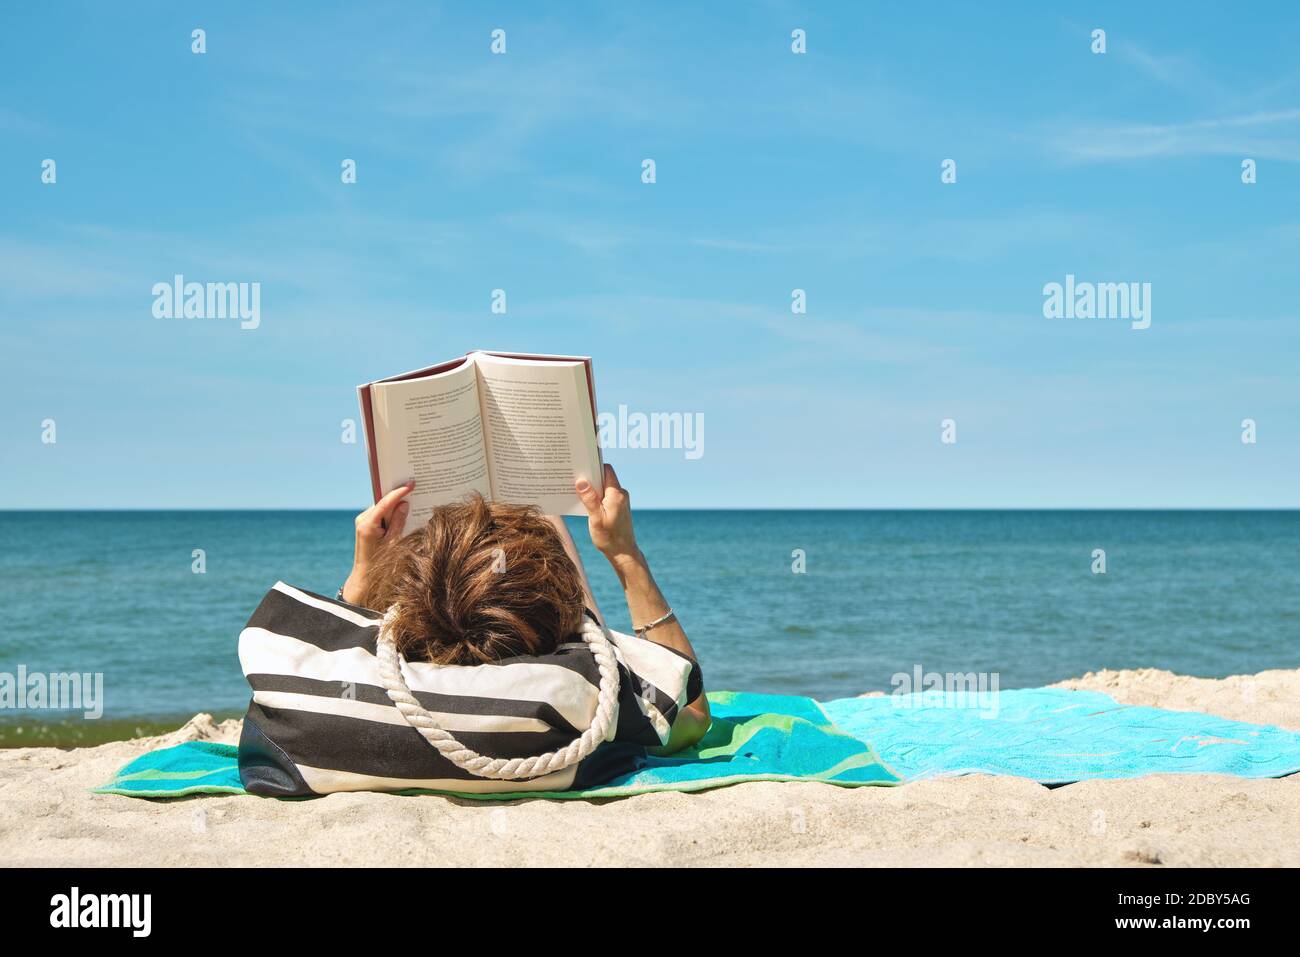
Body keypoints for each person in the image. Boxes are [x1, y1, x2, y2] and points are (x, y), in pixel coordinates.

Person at [339, 464, 710, 754]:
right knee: (543, 514)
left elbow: (329, 657)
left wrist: (361, 577)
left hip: (445, 646)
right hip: (536, 645)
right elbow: (691, 713)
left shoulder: (379, 693)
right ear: (563, 612)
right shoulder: (589, 700)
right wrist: (625, 554)